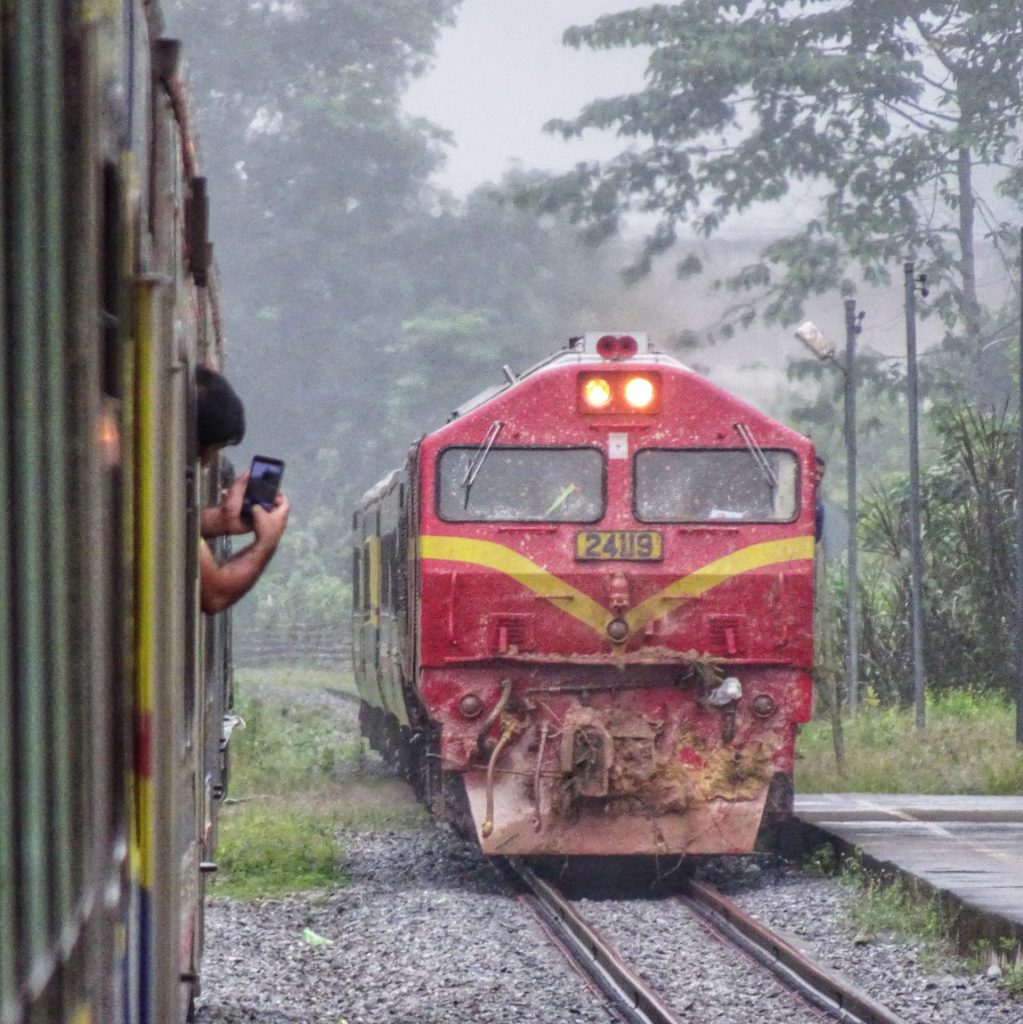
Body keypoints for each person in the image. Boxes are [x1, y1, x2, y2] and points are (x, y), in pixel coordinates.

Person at [195, 366, 290, 614]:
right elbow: (215, 593)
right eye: (205, 454)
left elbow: (174, 527)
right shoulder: (159, 490)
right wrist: (266, 544)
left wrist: (219, 520)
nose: (204, 465)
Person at [813, 455, 826, 543]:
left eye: (821, 475)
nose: (818, 478)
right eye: (815, 473)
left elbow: (816, 537)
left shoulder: (818, 507)